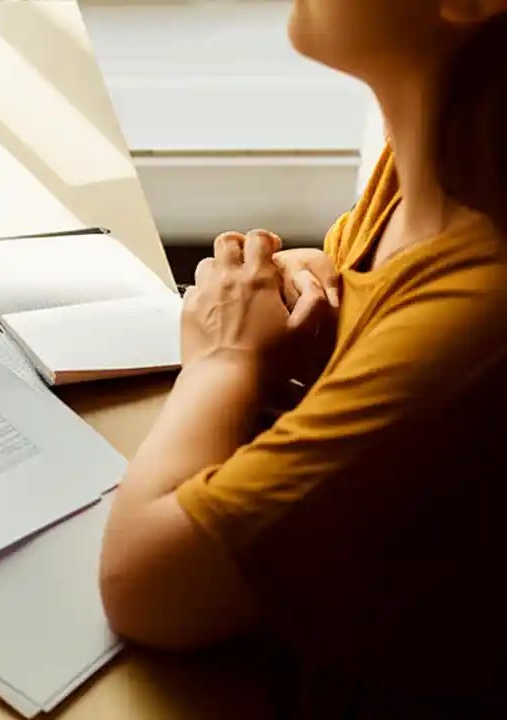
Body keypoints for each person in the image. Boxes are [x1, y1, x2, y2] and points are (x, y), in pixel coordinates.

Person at [99, 1, 507, 717]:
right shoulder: (431, 159)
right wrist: (329, 313)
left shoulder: (481, 307)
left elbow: (144, 583)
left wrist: (222, 361)